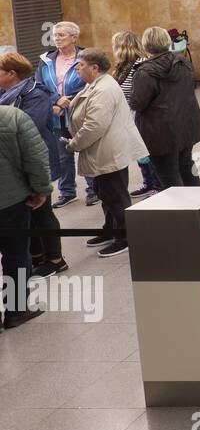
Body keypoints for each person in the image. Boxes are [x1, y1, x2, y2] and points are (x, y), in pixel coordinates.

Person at [60, 48, 149, 258]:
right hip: (102, 150)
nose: (77, 70)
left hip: (109, 150)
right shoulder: (95, 84)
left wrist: (74, 144)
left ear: (95, 68)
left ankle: (125, 237)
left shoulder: (104, 89)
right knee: (104, 192)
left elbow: (94, 126)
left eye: (80, 66)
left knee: (115, 195)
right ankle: (111, 229)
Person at [0, 54, 66, 279]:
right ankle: (37, 257)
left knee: (43, 212)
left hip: (35, 159)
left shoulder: (33, 93)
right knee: (30, 214)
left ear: (12, 73)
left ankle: (56, 259)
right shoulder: (6, 95)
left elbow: (32, 128)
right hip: (17, 165)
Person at [0, 100, 52, 329]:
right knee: (17, 255)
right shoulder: (12, 117)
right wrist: (41, 189)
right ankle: (16, 310)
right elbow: (36, 157)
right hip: (10, 201)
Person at [131, 27, 200, 189]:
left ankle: (181, 212)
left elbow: (137, 103)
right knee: (186, 166)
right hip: (186, 124)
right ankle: (199, 206)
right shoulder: (184, 63)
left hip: (159, 132)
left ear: (146, 45)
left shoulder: (144, 72)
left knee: (168, 174)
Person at [38, 20, 96, 207]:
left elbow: (91, 83)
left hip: (80, 111)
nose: (57, 39)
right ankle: (67, 191)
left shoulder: (86, 56)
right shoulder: (46, 59)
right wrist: (56, 100)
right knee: (62, 154)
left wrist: (66, 101)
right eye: (55, 35)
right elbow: (39, 84)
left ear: (74, 37)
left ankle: (94, 189)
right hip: (56, 113)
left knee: (87, 150)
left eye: (61, 35)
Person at [112, 30, 162, 197]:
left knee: (145, 151)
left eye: (115, 45)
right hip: (128, 115)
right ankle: (149, 183)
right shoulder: (122, 67)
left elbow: (140, 92)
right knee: (139, 153)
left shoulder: (140, 65)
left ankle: (156, 184)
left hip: (141, 114)